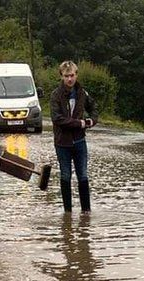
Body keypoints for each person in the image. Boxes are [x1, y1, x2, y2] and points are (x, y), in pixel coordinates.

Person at [50, 60, 98, 213]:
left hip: (79, 141)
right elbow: (57, 119)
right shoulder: (56, 95)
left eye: (72, 75)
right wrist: (80, 123)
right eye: (66, 76)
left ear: (76, 75)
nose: (69, 79)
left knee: (83, 175)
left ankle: (86, 212)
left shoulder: (82, 93)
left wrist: (92, 121)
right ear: (61, 76)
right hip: (62, 143)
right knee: (65, 176)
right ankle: (68, 213)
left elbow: (94, 108)